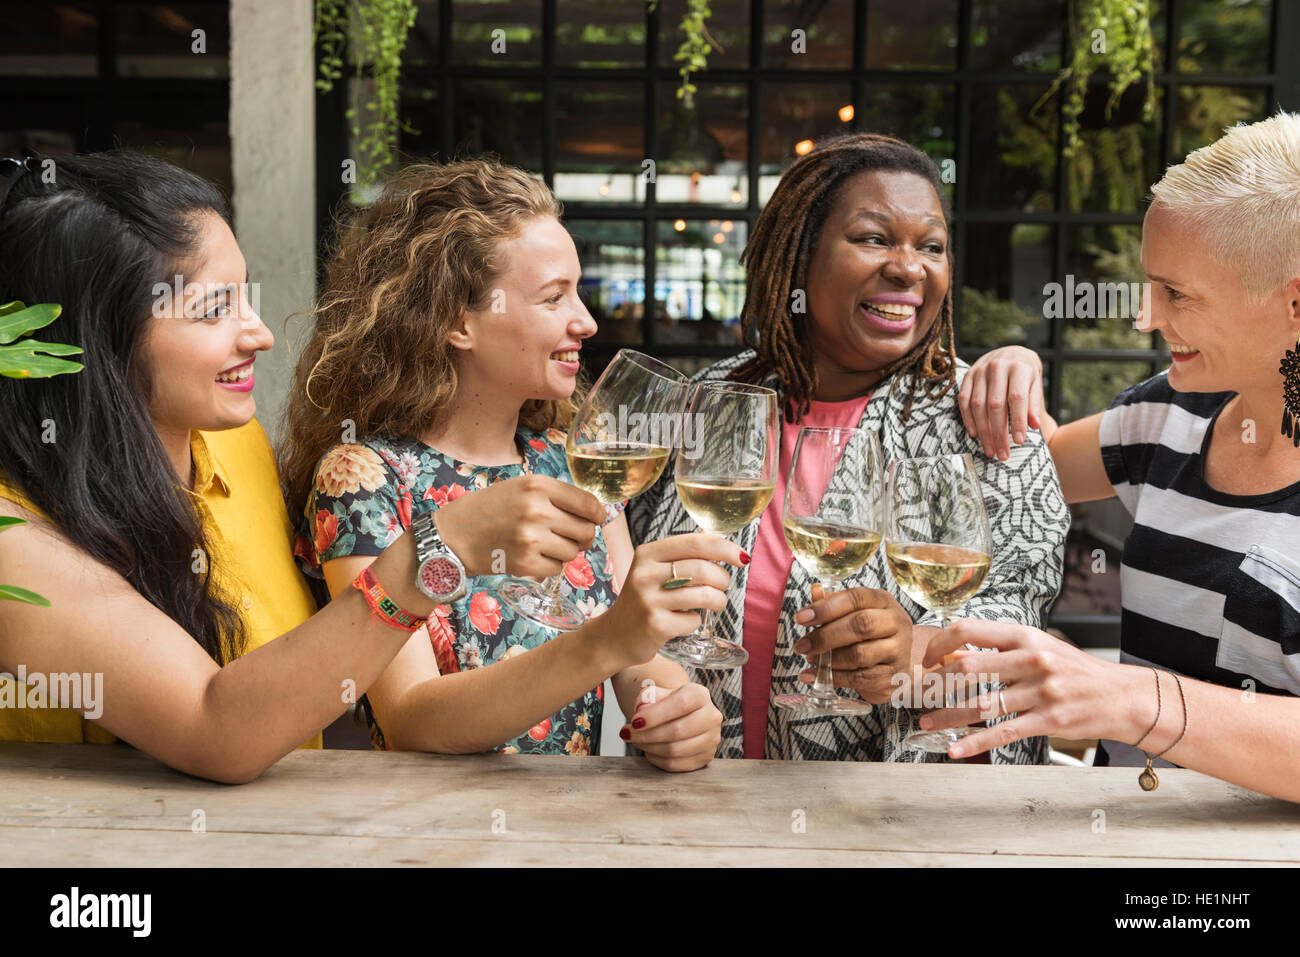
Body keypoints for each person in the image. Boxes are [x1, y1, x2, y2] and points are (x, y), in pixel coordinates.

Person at [0, 151, 606, 784]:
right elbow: (218, 731)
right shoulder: (14, 539)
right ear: (103, 339)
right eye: (213, 310)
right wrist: (438, 548)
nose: (258, 332)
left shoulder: (237, 445)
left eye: (244, 296)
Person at [627, 133, 1071, 763]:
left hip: (902, 831)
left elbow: (1020, 629)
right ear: (800, 256)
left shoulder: (983, 420)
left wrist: (917, 650)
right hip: (701, 811)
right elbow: (621, 596)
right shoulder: (708, 402)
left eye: (932, 247)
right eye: (873, 238)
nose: (908, 267)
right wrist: (651, 700)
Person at [279, 158, 733, 770]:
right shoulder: (363, 477)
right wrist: (605, 642)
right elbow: (409, 717)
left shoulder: (574, 460)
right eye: (554, 297)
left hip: (568, 828)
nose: (587, 321)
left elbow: (633, 660)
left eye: (579, 291)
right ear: (457, 321)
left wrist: (675, 711)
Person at [948, 112, 1300, 801]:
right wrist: (1009, 372)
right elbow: (1010, 472)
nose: (1144, 316)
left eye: (1176, 292)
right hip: (1120, 840)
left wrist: (1130, 698)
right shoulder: (1168, 414)